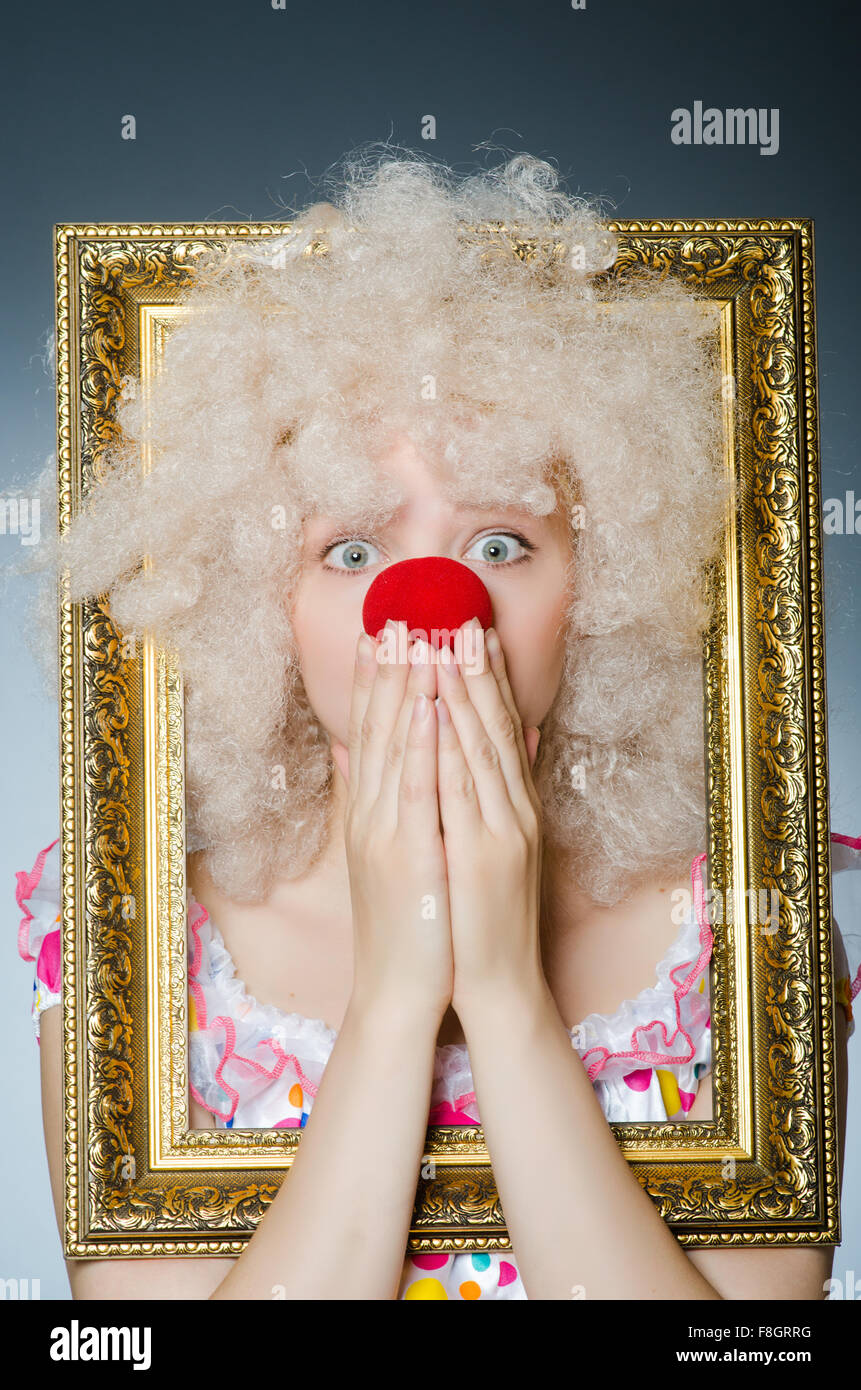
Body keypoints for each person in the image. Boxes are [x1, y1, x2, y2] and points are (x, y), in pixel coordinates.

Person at [15, 145, 860, 1299]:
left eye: (500, 545)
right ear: (258, 599)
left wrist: (506, 994)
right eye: (352, 550)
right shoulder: (132, 934)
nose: (425, 614)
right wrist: (400, 997)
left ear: (604, 582)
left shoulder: (754, 925)